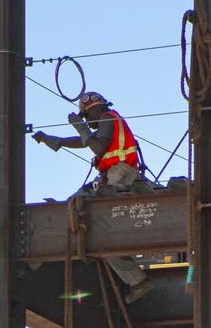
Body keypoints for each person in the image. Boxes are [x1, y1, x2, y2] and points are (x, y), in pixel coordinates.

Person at [32, 91, 153, 303]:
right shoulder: (108, 123)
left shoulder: (107, 118)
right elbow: (86, 142)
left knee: (78, 211)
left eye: (87, 116)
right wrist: (54, 141)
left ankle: (34, 260)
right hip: (117, 177)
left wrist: (79, 125)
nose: (88, 121)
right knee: (97, 235)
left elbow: (97, 146)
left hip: (120, 176)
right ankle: (137, 281)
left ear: (94, 109)